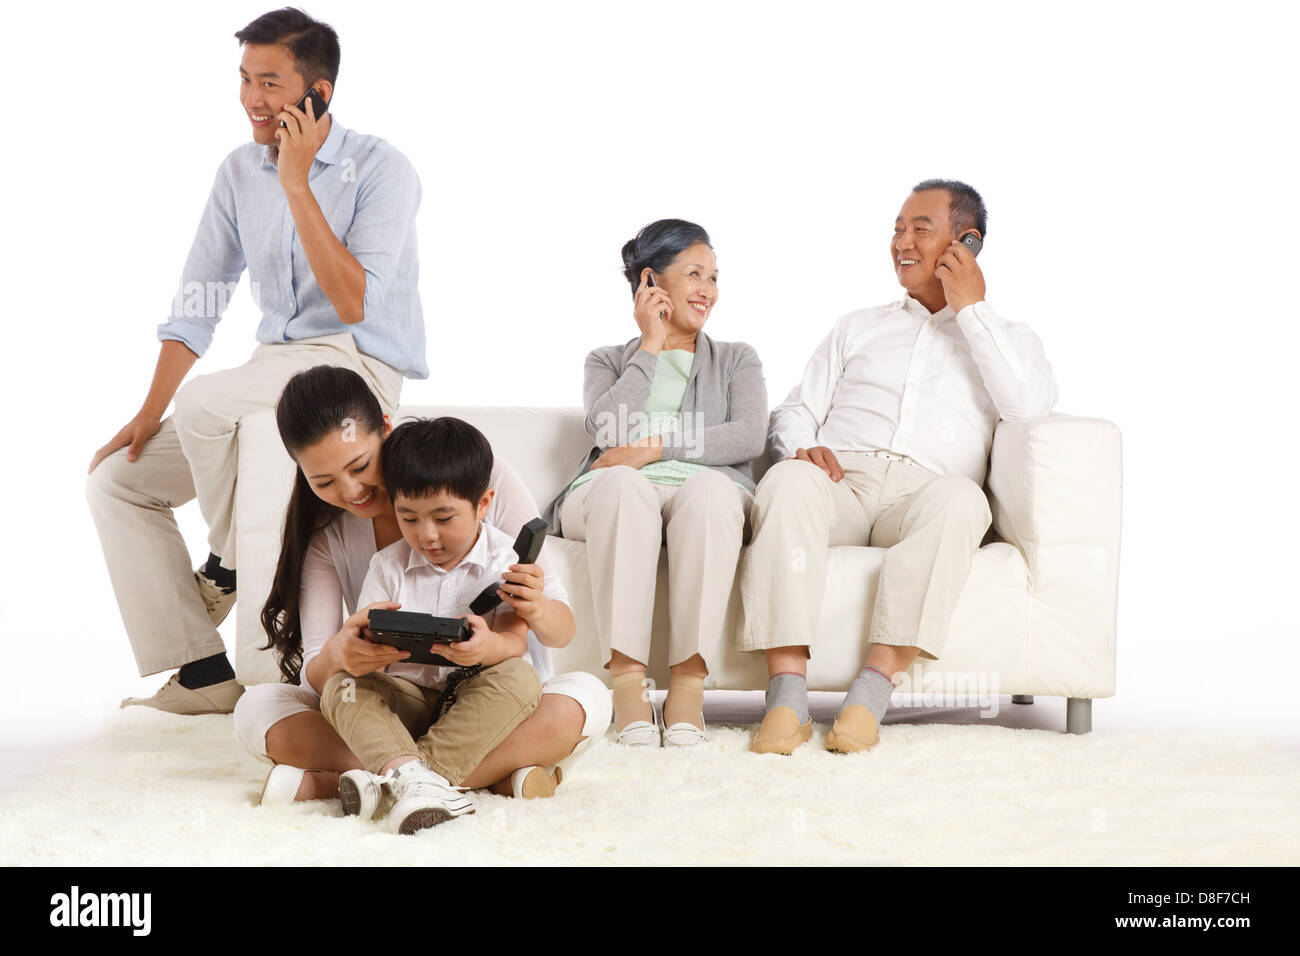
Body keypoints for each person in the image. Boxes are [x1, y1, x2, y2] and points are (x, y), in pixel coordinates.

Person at [85, 8, 424, 716]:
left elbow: (356, 300)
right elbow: (199, 299)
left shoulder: (382, 169)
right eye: (244, 79)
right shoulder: (239, 172)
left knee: (209, 402)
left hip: (354, 366)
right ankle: (202, 671)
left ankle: (226, 564)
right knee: (118, 481)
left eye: (270, 82)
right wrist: (147, 414)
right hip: (275, 365)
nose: (252, 99)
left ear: (319, 93)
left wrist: (298, 183)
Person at [739, 179, 1058, 755]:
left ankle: (870, 695)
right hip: (842, 480)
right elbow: (797, 408)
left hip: (925, 492)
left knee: (966, 500)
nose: (901, 242)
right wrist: (799, 446)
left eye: (920, 228)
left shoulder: (1008, 338)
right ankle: (786, 697)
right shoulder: (858, 325)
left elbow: (1028, 406)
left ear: (966, 241)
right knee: (786, 480)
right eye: (897, 228)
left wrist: (971, 310)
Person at [234, 366, 610, 808]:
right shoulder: (332, 539)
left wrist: (534, 607)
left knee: (587, 699)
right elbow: (320, 673)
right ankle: (475, 776)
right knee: (257, 709)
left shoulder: (472, 475)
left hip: (492, 708)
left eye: (360, 466)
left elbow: (559, 629)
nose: (351, 490)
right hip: (390, 706)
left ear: (386, 431)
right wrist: (343, 652)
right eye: (324, 481)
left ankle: (366, 781)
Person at [542, 219, 767, 746]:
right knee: (623, 484)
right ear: (651, 283)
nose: (708, 290)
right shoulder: (608, 359)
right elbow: (606, 428)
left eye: (713, 277)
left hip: (703, 485)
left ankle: (688, 688)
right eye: (695, 274)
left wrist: (655, 448)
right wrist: (650, 345)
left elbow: (748, 435)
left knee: (710, 491)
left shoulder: (737, 359)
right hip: (612, 488)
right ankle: (628, 688)